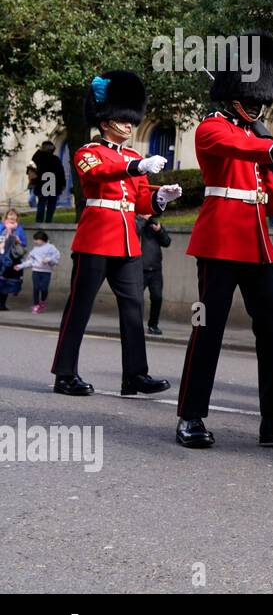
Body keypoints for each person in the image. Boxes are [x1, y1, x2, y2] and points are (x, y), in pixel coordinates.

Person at [174, 32, 273, 448]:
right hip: (220, 240)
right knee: (209, 328)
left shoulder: (257, 137)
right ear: (231, 92)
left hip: (255, 242)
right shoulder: (212, 127)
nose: (257, 104)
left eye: (262, 97)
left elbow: (264, 200)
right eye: (251, 95)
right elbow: (236, 148)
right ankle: (190, 415)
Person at [49, 72, 180, 396]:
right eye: (123, 119)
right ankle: (65, 374)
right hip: (95, 241)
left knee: (134, 308)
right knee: (79, 307)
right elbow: (99, 173)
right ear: (106, 120)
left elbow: (138, 201)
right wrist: (137, 168)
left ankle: (135, 375)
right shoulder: (87, 152)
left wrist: (160, 198)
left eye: (130, 119)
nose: (129, 125)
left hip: (127, 244)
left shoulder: (134, 158)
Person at [135, 215, 170, 334]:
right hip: (140, 269)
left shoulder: (155, 225)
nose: (149, 215)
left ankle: (153, 325)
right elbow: (134, 231)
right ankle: (135, 324)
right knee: (136, 299)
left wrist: (159, 230)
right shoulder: (137, 224)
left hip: (155, 270)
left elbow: (167, 242)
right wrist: (142, 220)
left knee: (157, 297)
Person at [17, 230, 59, 313]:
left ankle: (43, 301)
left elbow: (56, 258)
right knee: (36, 288)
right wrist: (20, 266)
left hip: (46, 272)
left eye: (36, 239)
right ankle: (36, 305)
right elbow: (30, 261)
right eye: (34, 239)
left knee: (44, 288)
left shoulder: (51, 247)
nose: (35, 241)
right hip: (36, 271)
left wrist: (48, 260)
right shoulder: (34, 249)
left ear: (42, 239)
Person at [29, 141, 66, 224]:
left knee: (45, 203)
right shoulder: (51, 159)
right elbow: (61, 172)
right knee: (48, 204)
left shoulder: (40, 158)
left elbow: (60, 172)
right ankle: (46, 221)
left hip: (46, 184)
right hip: (49, 183)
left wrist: (62, 183)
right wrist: (63, 184)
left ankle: (41, 221)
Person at [0, 210, 26, 310]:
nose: (12, 217)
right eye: (10, 215)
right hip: (1, 257)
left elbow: (23, 244)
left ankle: (2, 304)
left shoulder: (19, 228)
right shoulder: (1, 226)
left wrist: (18, 241)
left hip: (12, 258)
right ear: (6, 216)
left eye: (14, 215)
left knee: (7, 282)